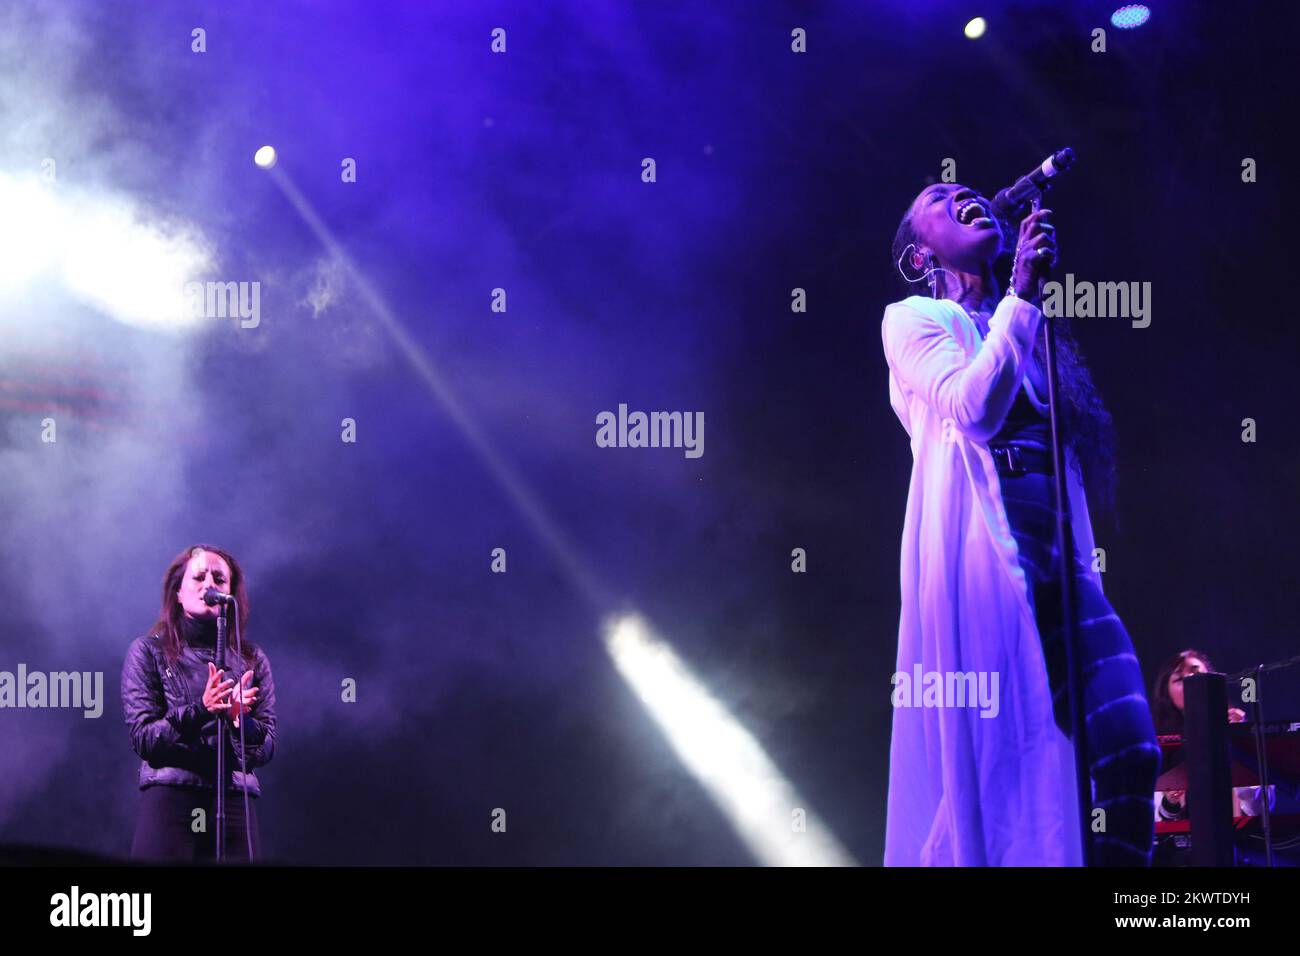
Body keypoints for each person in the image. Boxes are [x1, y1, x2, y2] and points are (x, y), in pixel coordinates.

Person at [880, 181, 1159, 865]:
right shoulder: (912, 317)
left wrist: (1022, 301)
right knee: (1002, 777)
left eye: (969, 191)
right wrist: (1025, 294)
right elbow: (970, 408)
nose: (964, 195)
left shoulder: (1027, 332)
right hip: (986, 576)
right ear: (920, 255)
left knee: (1134, 750)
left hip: (1060, 573)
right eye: (942, 199)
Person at [122, 545, 276, 861]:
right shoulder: (148, 652)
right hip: (172, 797)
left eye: (219, 579)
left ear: (231, 593)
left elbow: (268, 745)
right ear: (178, 592)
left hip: (234, 798)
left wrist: (239, 721)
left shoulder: (251, 659)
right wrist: (202, 710)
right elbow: (145, 739)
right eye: (199, 577)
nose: (209, 585)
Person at [1150, 648, 1268, 826]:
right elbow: (1155, 821)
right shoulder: (1158, 743)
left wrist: (1240, 738)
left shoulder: (1235, 726)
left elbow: (1260, 807)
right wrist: (1170, 801)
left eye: (1196, 675)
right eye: (1180, 679)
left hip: (1239, 842)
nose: (1190, 682)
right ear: (1167, 692)